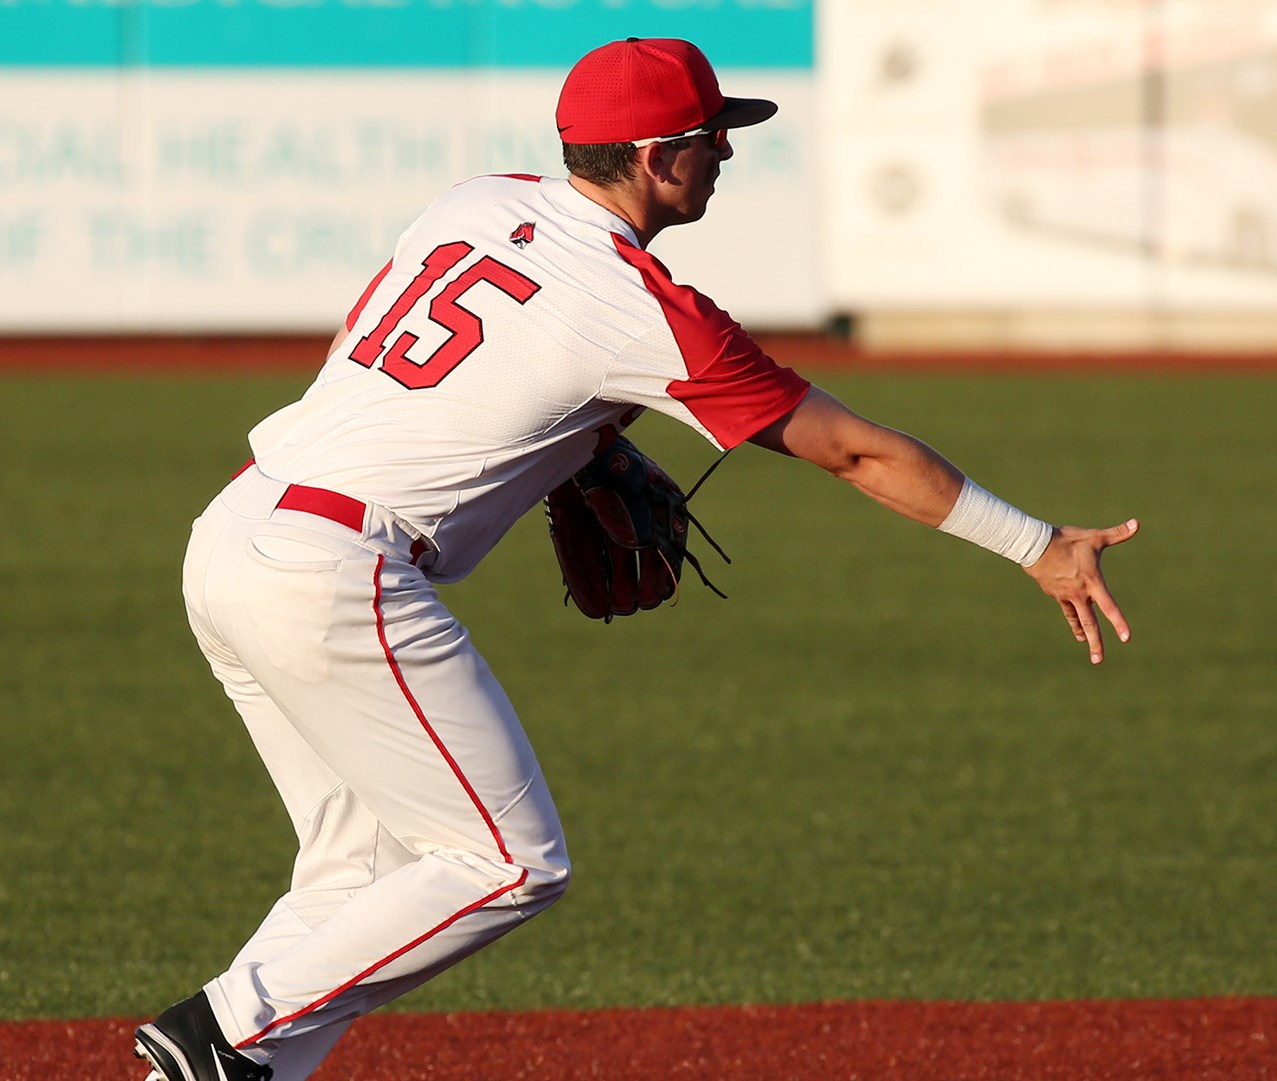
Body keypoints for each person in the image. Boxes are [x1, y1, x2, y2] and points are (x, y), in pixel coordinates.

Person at [133, 37, 1138, 1081]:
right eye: (713, 140)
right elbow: (856, 451)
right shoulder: (652, 312)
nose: (727, 158)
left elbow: (464, 365)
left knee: (360, 869)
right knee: (510, 862)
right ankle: (222, 1031)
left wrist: (588, 445)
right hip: (337, 577)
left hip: (235, 531)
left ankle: (216, 1069)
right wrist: (1036, 544)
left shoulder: (474, 202)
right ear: (659, 159)